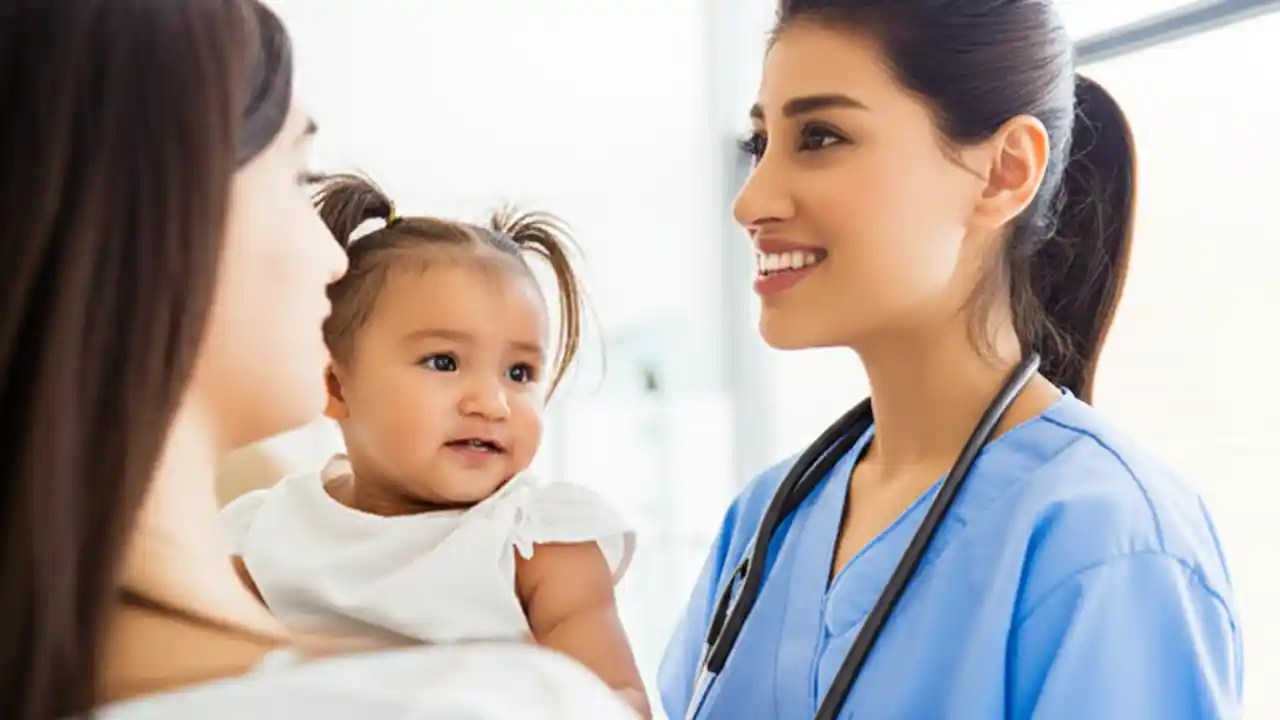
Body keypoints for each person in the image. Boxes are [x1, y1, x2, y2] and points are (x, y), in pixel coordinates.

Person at [0, 1, 636, 719]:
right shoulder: (496, 702)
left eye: (520, 372)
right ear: (154, 211)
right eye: (299, 179)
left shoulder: (531, 555)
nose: (333, 256)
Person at [659, 2, 1241, 718]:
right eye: (760, 144)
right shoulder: (763, 523)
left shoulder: (1107, 539)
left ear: (1003, 171)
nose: (751, 199)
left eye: (820, 136)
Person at [220, 174, 650, 716]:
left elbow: (620, 704)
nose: (492, 403)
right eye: (444, 362)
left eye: (520, 372)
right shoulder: (263, 534)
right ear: (334, 385)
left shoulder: (536, 544)